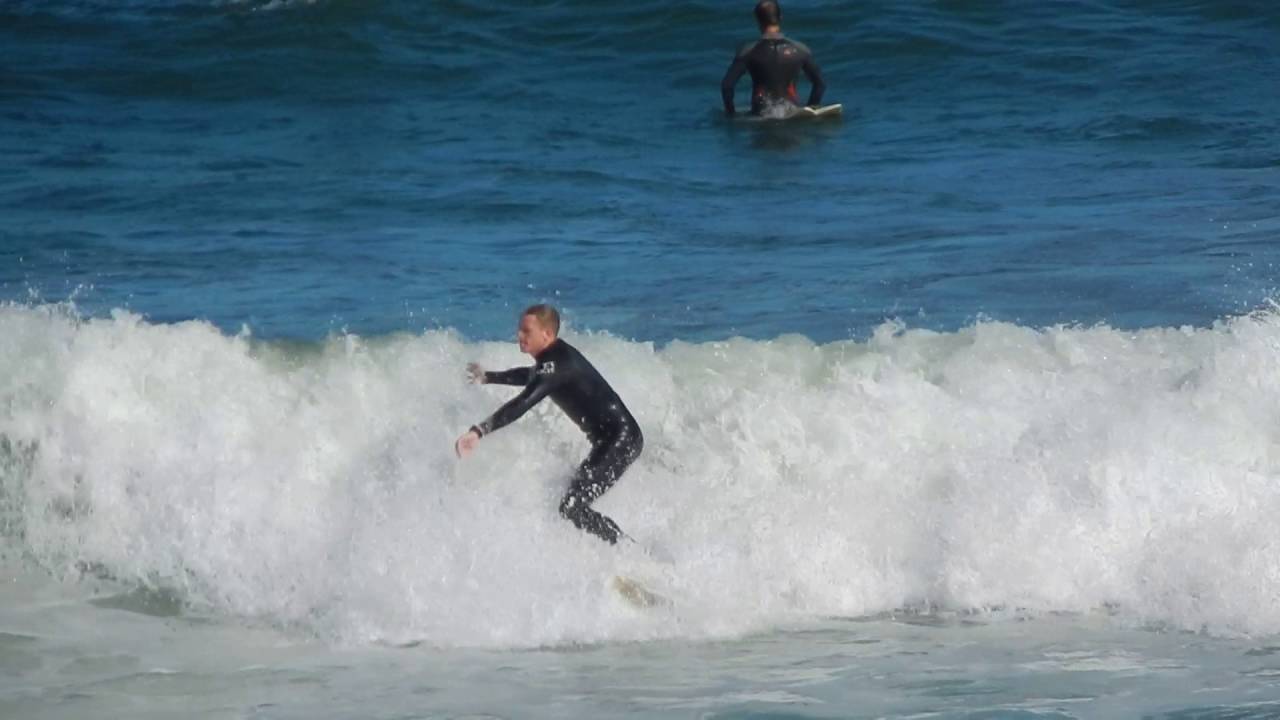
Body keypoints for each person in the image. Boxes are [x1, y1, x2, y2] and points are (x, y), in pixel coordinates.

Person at [455, 305, 644, 545]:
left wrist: (478, 431)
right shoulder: (554, 360)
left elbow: (524, 402)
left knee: (572, 506)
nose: (520, 336)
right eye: (519, 330)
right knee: (571, 504)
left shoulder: (558, 364)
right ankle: (617, 549)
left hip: (621, 439)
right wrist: (490, 377)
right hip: (611, 441)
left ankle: (626, 549)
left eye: (526, 331)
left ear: (546, 334)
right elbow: (531, 375)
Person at [720, 0, 826, 117]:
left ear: (758, 20)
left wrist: (731, 113)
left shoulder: (747, 52)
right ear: (780, 17)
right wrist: (812, 107)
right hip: (791, 113)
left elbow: (727, 86)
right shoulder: (801, 50)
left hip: (761, 115)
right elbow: (820, 84)